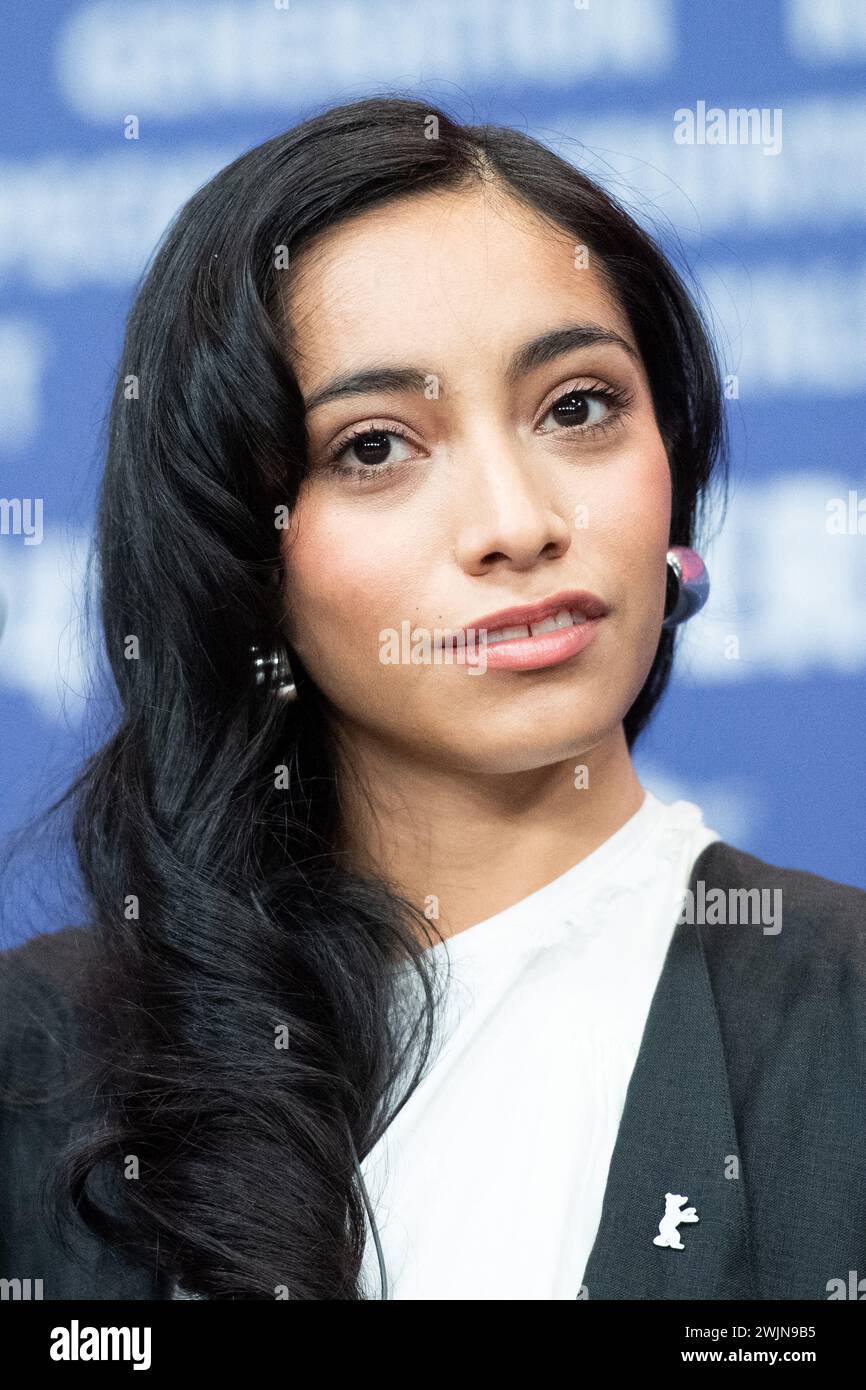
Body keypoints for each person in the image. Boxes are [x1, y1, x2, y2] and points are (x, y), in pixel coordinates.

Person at [1, 95, 864, 1302]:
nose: (517, 524)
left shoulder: (838, 1012)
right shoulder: (40, 1064)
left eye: (577, 408)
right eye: (373, 447)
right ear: (237, 555)